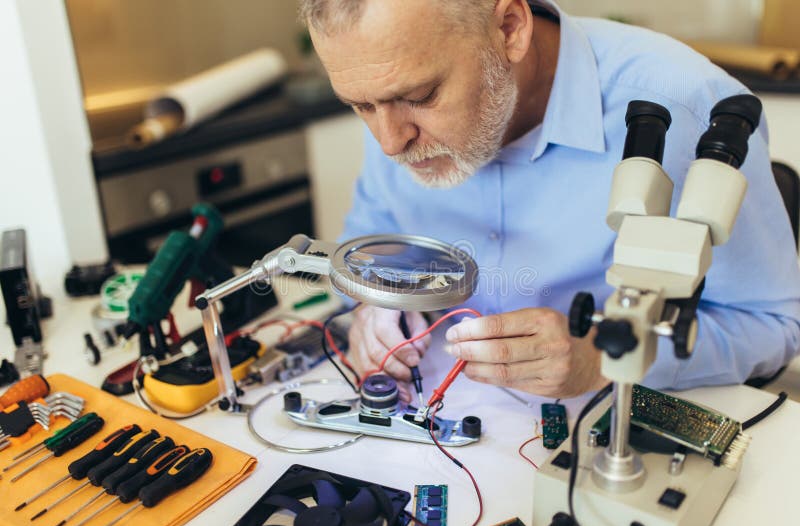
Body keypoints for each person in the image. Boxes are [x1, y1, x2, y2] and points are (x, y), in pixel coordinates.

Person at [299, 0, 800, 401]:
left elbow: (775, 327)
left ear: (510, 28)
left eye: (422, 95)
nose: (390, 142)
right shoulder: (390, 97)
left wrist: (600, 358)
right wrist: (371, 305)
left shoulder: (688, 105)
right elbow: (361, 257)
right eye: (361, 106)